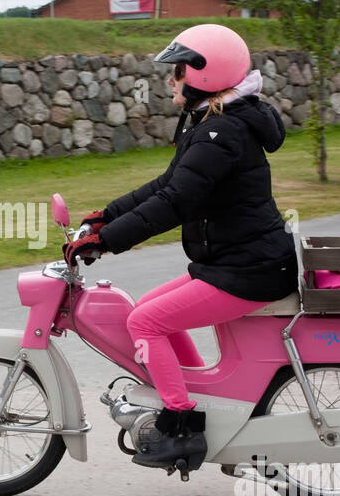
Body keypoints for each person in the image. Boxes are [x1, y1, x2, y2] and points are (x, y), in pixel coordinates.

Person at [62, 24, 298, 473]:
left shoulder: (220, 133)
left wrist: (106, 244)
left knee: (145, 322)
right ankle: (199, 405)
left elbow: (175, 202)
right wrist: (103, 218)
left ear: (204, 77)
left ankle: (182, 425)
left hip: (248, 270)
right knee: (148, 313)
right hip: (237, 263)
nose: (171, 80)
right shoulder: (215, 125)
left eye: (178, 72)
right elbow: (168, 185)